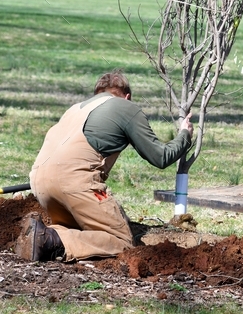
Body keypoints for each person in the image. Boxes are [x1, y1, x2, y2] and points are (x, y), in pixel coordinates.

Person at [16, 70, 193, 263]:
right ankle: (51, 240)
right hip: (74, 182)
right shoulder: (125, 107)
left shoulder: (75, 109)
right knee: (122, 241)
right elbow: (161, 157)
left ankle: (40, 235)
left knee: (79, 230)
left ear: (97, 95)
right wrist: (184, 134)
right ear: (127, 97)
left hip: (40, 183)